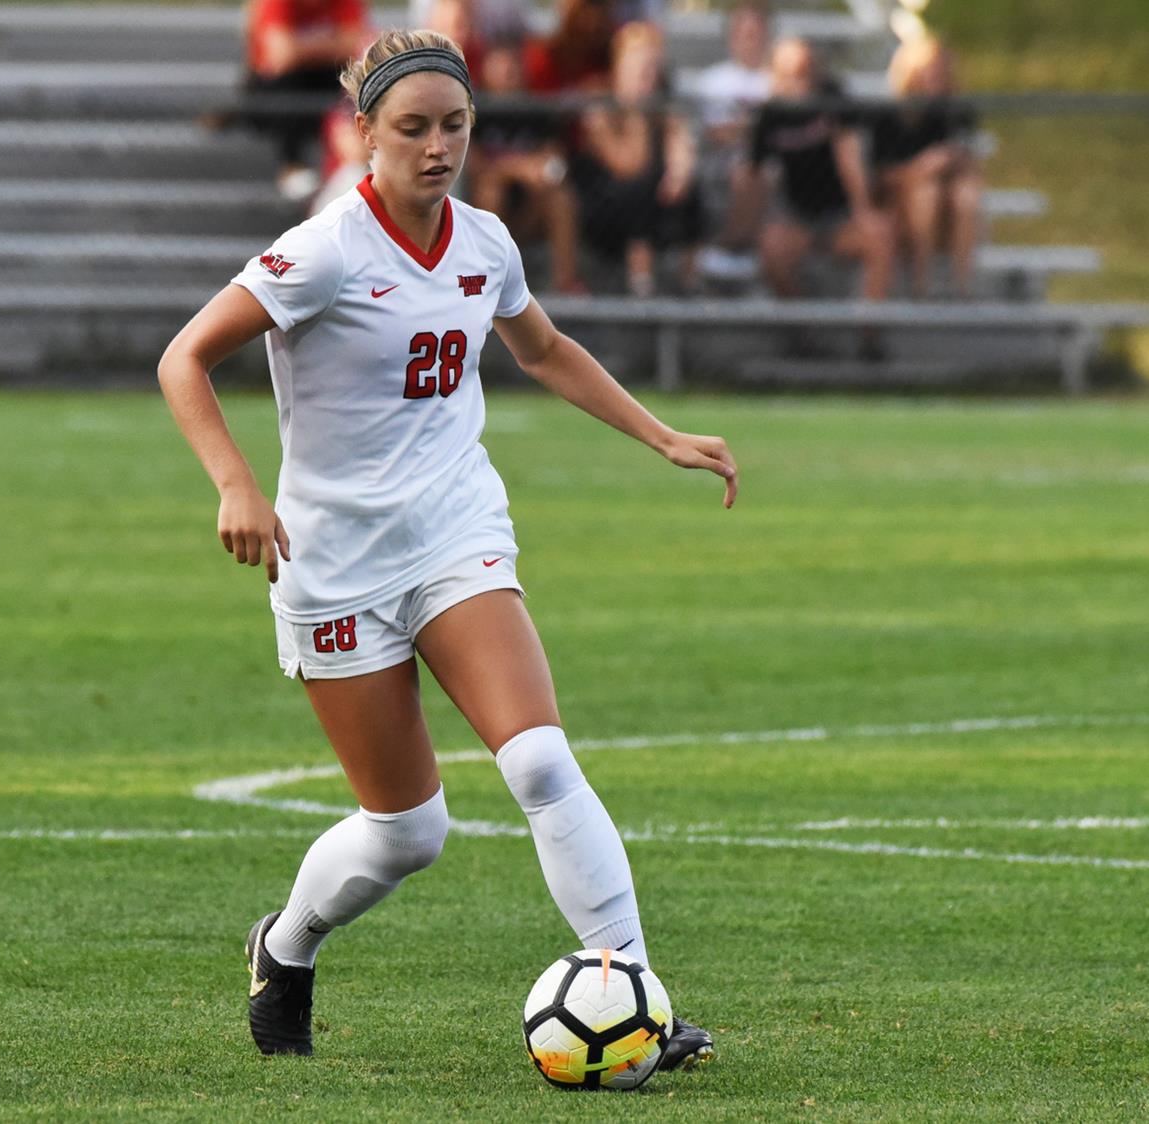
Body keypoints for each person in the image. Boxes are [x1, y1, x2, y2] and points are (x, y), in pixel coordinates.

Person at [156, 27, 736, 1065]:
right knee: (407, 831)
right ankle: (284, 944)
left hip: (454, 534)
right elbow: (183, 357)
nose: (436, 147)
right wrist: (235, 483)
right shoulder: (323, 247)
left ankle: (636, 991)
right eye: (411, 127)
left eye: (454, 125)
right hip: (332, 559)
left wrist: (661, 435)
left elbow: (544, 350)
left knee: (542, 759)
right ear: (364, 131)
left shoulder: (484, 241)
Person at [726, 37, 892, 303]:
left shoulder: (832, 97)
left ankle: (868, 336)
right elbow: (753, 172)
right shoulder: (770, 114)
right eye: (788, 73)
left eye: (802, 71)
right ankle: (808, 331)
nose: (797, 80)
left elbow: (848, 153)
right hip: (798, 217)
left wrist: (863, 210)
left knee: (879, 236)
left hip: (841, 214)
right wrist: (741, 230)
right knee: (771, 248)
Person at [569, 21, 699, 295]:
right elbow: (627, 165)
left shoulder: (662, 107)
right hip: (604, 206)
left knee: (690, 192)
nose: (647, 76)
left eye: (653, 68)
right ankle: (642, 286)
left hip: (653, 202)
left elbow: (682, 145)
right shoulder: (600, 103)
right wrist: (638, 114)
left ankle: (689, 282)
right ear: (619, 66)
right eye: (639, 67)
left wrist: (679, 174)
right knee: (639, 189)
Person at [468, 40, 585, 293]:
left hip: (532, 207)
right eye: (500, 67)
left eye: (513, 66)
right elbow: (476, 166)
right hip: (490, 208)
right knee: (491, 188)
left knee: (560, 196)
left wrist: (542, 171)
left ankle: (565, 286)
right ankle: (490, 284)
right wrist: (520, 168)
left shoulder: (536, 110)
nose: (508, 73)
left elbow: (555, 161)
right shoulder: (475, 111)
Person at [872, 36, 984, 298]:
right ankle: (921, 282)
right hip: (903, 196)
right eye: (929, 71)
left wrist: (949, 159)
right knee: (926, 193)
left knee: (966, 194)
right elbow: (881, 175)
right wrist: (920, 168)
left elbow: (969, 159)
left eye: (941, 71)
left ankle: (961, 286)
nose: (936, 78)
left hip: (947, 193)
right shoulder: (890, 115)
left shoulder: (956, 112)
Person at [241, 0, 374, 202]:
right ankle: (291, 166)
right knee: (287, 86)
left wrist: (301, 46)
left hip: (325, 78)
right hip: (274, 89)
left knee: (351, 81)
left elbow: (354, 44)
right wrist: (331, 42)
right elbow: (282, 54)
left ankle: (347, 160)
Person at [689, 0, 772, 285]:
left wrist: (747, 131)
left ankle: (732, 248)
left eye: (756, 34)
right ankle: (734, 248)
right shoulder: (713, 81)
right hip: (720, 163)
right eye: (743, 33)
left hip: (772, 165)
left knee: (755, 170)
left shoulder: (776, 80)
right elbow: (713, 133)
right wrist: (755, 129)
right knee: (745, 170)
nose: (750, 41)